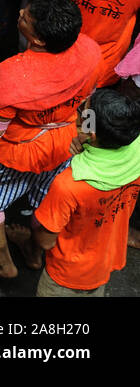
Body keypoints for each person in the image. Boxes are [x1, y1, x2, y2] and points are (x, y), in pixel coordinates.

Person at [0, 0, 100, 280]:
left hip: (16, 152)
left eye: (26, 17)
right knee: (46, 201)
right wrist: (85, 134)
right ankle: (34, 252)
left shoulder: (12, 74)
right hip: (66, 143)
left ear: (38, 39)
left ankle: (3, 263)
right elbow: (90, 98)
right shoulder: (90, 50)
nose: (20, 14)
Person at [32, 88, 140, 296]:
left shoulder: (69, 184)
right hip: (105, 260)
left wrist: (37, 223)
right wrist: (87, 140)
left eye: (84, 113)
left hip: (66, 275)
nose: (80, 115)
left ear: (92, 131)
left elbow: (46, 241)